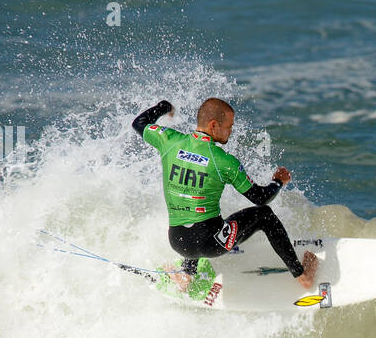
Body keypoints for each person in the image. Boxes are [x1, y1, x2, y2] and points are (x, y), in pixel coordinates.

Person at [132, 97, 318, 291]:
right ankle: (302, 276)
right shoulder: (224, 161)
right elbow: (261, 197)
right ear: (214, 125)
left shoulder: (168, 141)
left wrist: (164, 107)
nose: (231, 131)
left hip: (178, 242)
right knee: (264, 215)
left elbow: (139, 123)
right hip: (212, 244)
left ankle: (187, 273)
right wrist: (278, 181)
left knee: (194, 210)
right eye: (229, 126)